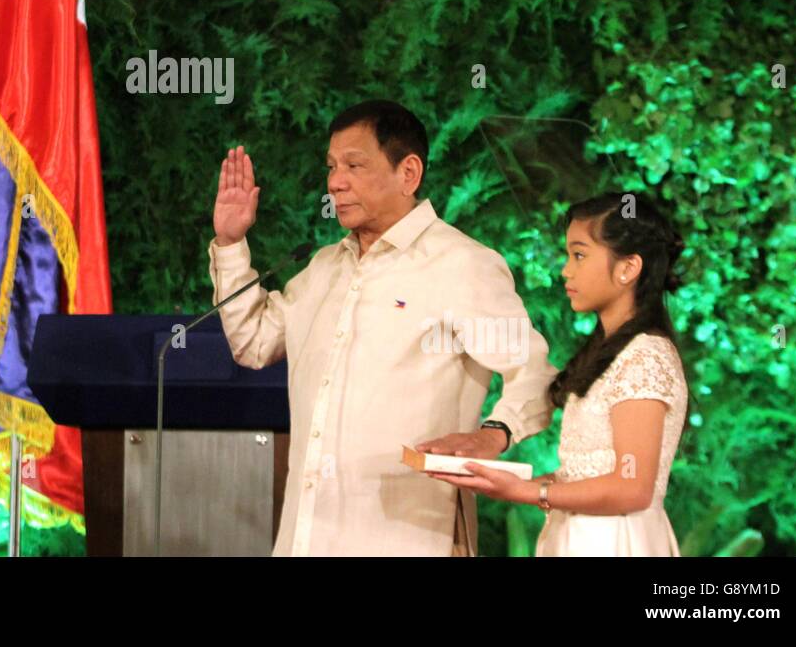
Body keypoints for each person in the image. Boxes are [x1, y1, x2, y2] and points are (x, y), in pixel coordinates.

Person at [208, 100, 558, 555]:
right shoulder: (323, 269)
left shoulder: (460, 265)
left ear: (408, 174)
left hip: (409, 537)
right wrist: (231, 243)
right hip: (309, 535)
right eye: (332, 166)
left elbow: (533, 369)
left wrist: (494, 432)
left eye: (355, 164)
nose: (335, 182)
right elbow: (253, 342)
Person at [424, 191, 688, 556]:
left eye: (579, 255)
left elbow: (632, 488)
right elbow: (585, 476)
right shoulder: (612, 352)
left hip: (614, 541)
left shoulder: (646, 356)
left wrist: (530, 492)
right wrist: (507, 481)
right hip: (581, 535)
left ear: (627, 267)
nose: (566, 270)